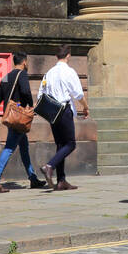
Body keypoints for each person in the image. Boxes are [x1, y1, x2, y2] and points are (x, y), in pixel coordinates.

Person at [0, 53, 48, 192]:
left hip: (11, 117)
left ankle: (33, 178)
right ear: (25, 63)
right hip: (19, 118)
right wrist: (29, 104)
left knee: (24, 148)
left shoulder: (5, 77)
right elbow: (26, 90)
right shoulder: (21, 74)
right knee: (9, 147)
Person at [39, 45, 89, 191]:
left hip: (52, 110)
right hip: (64, 109)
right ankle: (49, 166)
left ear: (57, 56)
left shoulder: (49, 73)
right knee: (70, 144)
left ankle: (61, 180)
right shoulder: (69, 72)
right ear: (68, 55)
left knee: (61, 145)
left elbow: (41, 93)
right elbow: (78, 94)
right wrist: (85, 107)